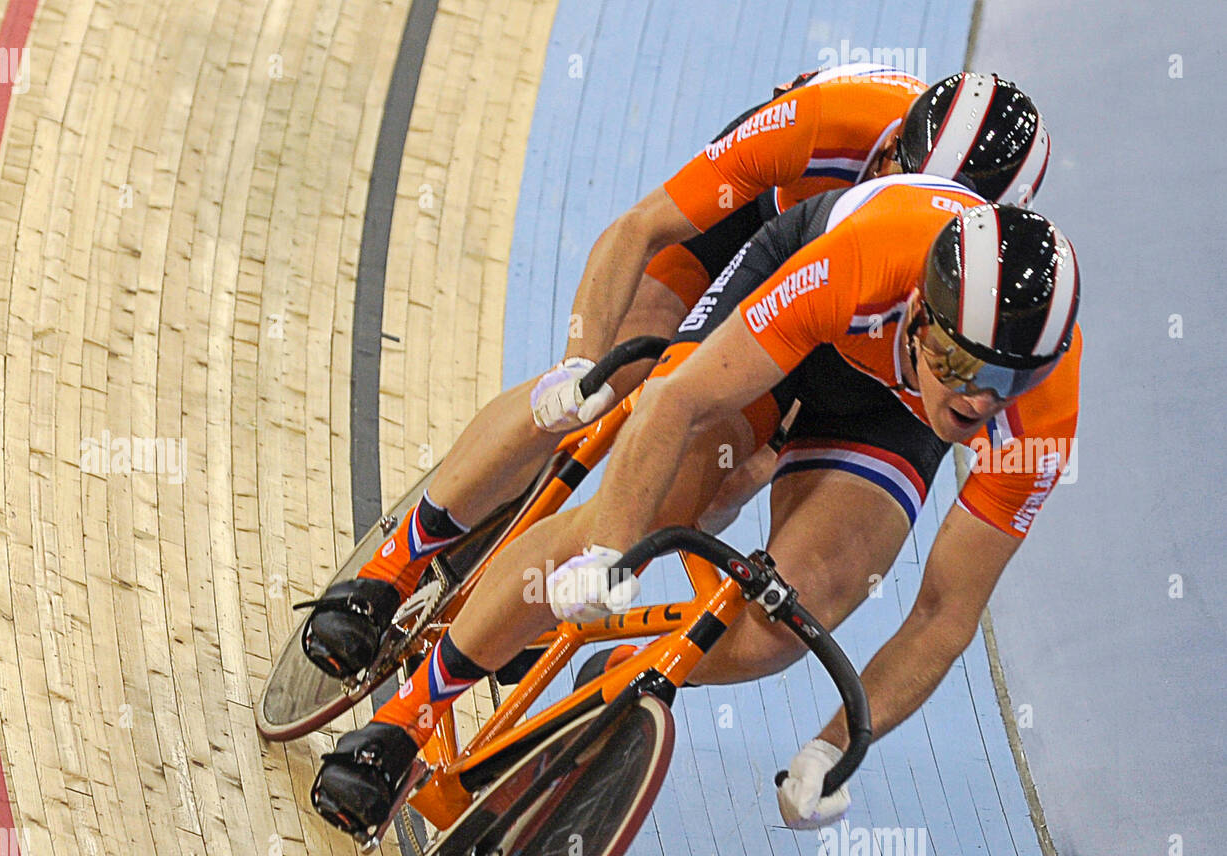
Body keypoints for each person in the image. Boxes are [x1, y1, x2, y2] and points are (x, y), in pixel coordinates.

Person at [309, 176, 1081, 840]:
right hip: (802, 315)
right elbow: (674, 404)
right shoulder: (863, 259)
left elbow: (945, 615)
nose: (976, 397)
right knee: (628, 514)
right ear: (918, 311)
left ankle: (614, 680)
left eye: (1004, 382)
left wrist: (835, 747)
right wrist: (609, 552)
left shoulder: (1043, 414)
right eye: (957, 362)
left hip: (885, 416)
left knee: (793, 616)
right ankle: (409, 714)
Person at [301, 70, 1051, 677]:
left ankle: (605, 659)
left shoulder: (975, 313)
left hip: (865, 322)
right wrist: (578, 366)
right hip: (760, 232)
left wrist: (761, 462)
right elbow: (640, 229)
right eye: (893, 172)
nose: (895, 193)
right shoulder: (826, 119)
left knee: (719, 479)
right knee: (612, 381)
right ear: (888, 142)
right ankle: (392, 567)